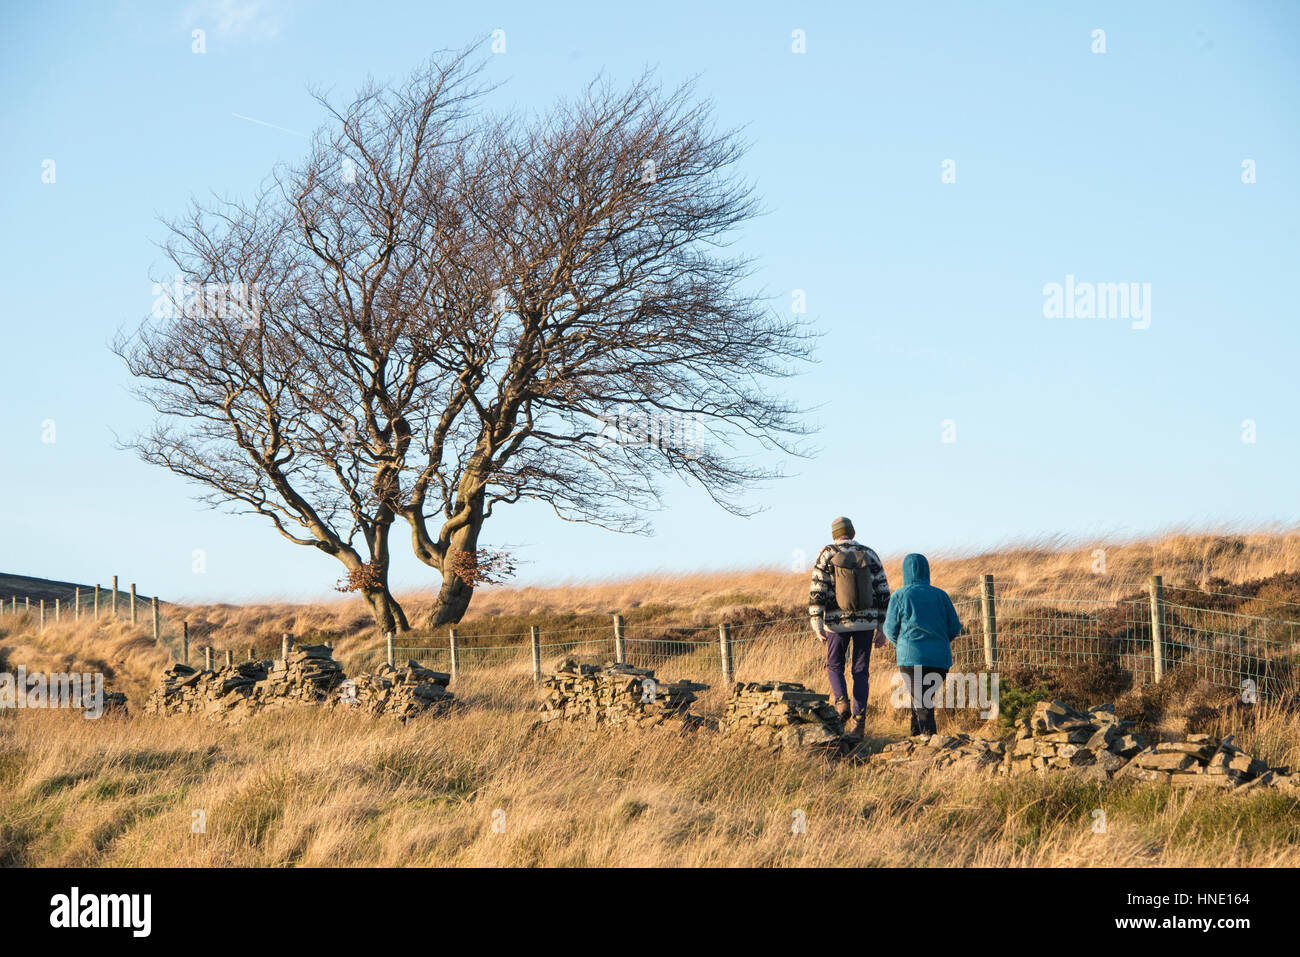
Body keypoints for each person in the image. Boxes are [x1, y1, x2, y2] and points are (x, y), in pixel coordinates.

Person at [808, 516, 891, 736]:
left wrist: (816, 622)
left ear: (835, 533)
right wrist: (882, 627)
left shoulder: (827, 554)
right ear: (852, 532)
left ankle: (841, 702)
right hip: (866, 622)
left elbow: (818, 589)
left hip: (836, 624)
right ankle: (859, 721)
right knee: (861, 671)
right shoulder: (870, 554)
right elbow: (883, 592)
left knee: (834, 666)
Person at [882, 553, 963, 736]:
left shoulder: (900, 595)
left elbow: (889, 629)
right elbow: (955, 627)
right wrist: (940, 642)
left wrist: (902, 645)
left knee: (921, 701)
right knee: (920, 700)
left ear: (904, 572)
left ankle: (929, 742)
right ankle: (915, 740)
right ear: (927, 570)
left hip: (911, 658)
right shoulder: (941, 595)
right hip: (939, 660)